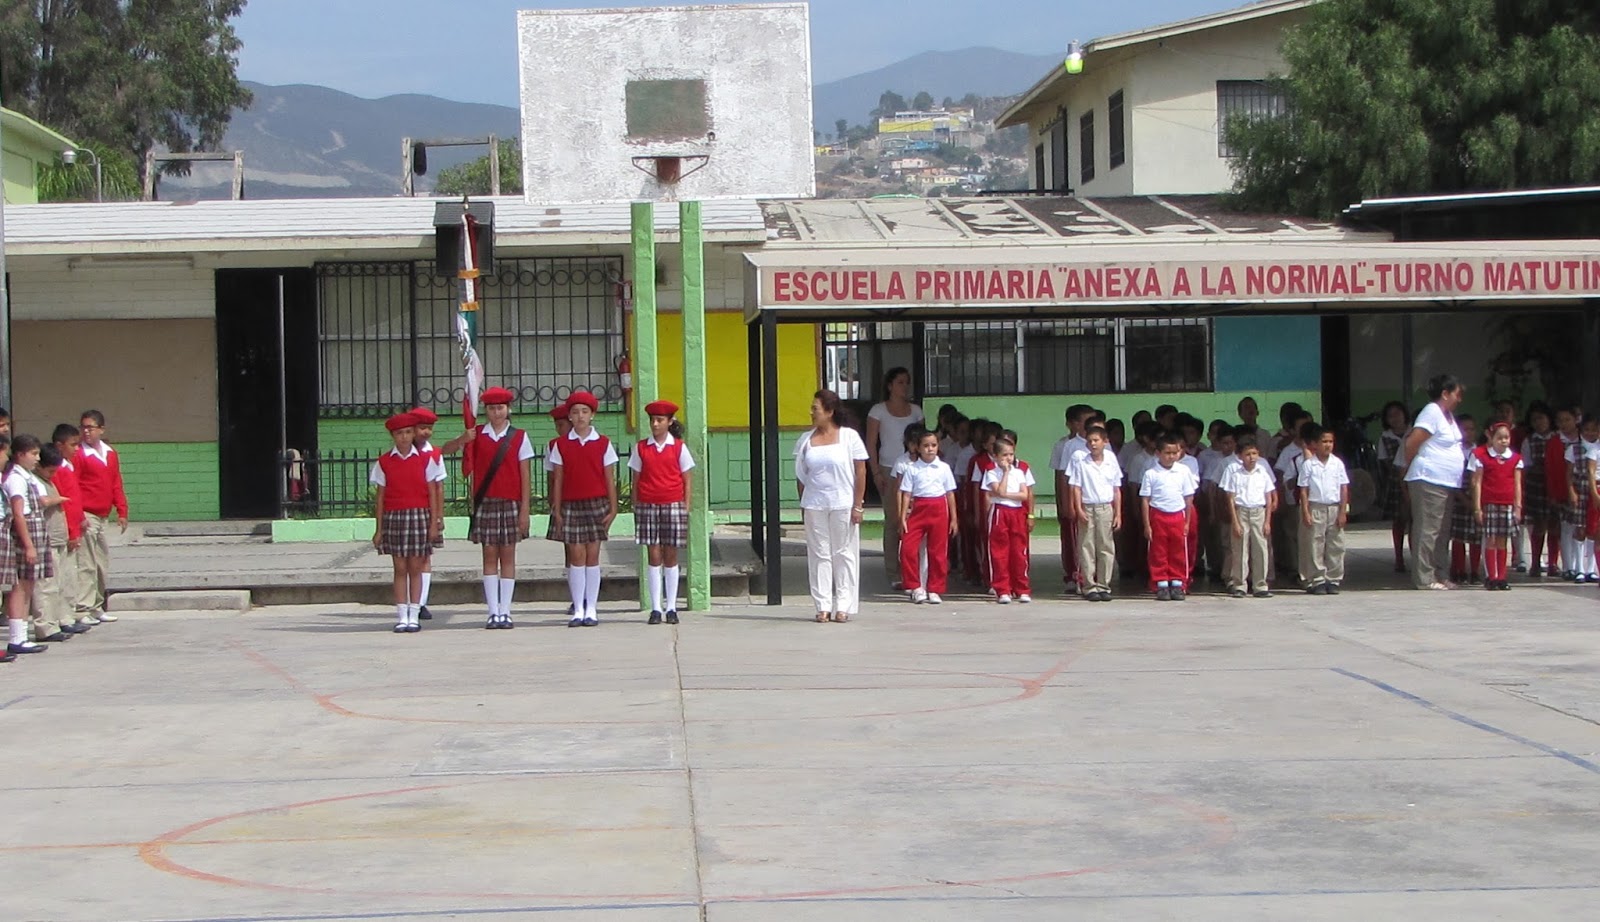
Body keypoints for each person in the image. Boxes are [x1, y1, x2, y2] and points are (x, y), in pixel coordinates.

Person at [445, 386, 534, 628]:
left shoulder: (519, 436)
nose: (496, 413)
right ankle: (492, 611)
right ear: (486, 411)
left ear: (508, 409)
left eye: (500, 408)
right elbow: (444, 450)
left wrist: (525, 510)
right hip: (486, 502)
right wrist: (463, 439)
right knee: (489, 555)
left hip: (511, 502)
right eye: (492, 408)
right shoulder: (476, 435)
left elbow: (525, 475)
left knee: (508, 556)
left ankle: (506, 611)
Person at [794, 389, 868, 623]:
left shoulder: (849, 437)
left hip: (843, 504)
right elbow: (801, 476)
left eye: (815, 408)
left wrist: (858, 505)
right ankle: (823, 605)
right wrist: (803, 504)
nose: (812, 412)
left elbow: (860, 471)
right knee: (819, 554)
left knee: (843, 554)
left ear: (830, 411)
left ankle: (843, 605)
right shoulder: (805, 440)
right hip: (815, 504)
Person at [370, 412, 445, 633]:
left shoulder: (425, 459)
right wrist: (379, 529)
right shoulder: (385, 462)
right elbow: (380, 497)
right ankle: (402, 615)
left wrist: (434, 522)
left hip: (419, 516)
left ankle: (415, 614)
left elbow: (433, 492)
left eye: (408, 432)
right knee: (399, 567)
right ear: (393, 436)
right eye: (399, 433)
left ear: (413, 434)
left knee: (416, 567)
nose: (404, 437)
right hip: (395, 517)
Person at [550, 390, 619, 627]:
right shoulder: (561, 445)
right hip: (571, 504)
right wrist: (557, 508)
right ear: (569, 416)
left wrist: (613, 508)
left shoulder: (603, 443)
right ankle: (578, 608)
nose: (580, 416)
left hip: (596, 503)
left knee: (592, 556)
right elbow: (558, 479)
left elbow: (609, 477)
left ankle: (592, 608)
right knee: (576, 556)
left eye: (585, 412)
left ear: (592, 415)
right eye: (575, 412)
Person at [630, 400, 695, 625]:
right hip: (648, 505)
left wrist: (686, 505)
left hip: (673, 503)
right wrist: (636, 504)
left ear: (669, 422)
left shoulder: (678, 447)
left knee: (671, 555)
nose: (655, 424)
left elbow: (687, 478)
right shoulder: (641, 448)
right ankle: (656, 607)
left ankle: (672, 607)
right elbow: (636, 478)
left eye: (660, 420)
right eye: (652, 420)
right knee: (654, 554)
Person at [1404, 374, 1467, 590]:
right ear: (1445, 394)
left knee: (1442, 531)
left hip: (1446, 482)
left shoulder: (1447, 416)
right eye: (1457, 394)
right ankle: (1425, 578)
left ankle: (1441, 574)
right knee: (1428, 530)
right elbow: (1412, 443)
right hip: (1429, 479)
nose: (1460, 399)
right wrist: (1416, 467)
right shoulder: (1431, 412)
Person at [864, 368, 924, 590]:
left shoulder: (916, 411)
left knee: (915, 519)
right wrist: (875, 472)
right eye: (900, 382)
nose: (904, 387)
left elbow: (922, 440)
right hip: (889, 468)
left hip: (914, 468)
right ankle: (893, 571)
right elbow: (871, 443)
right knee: (893, 520)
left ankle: (913, 569)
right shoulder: (878, 410)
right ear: (890, 385)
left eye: (906, 382)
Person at [74, 410, 127, 624]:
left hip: (103, 514)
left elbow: (115, 482)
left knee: (100, 563)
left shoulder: (109, 453)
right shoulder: (79, 454)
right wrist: (78, 515)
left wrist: (122, 510)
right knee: (86, 563)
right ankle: (82, 609)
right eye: (83, 427)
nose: (86, 431)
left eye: (91, 427)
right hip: (87, 513)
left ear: (101, 429)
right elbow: (74, 486)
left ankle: (97, 606)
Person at [30, 446, 85, 643]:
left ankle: (61, 619)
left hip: (59, 537)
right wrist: (55, 500)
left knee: (62, 583)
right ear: (39, 467)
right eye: (50, 470)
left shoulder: (48, 481)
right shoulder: (34, 481)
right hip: (47, 540)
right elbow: (39, 502)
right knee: (47, 586)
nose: (53, 474)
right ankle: (46, 626)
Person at [898, 429, 957, 605]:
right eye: (926, 446)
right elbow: (906, 494)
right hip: (919, 509)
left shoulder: (944, 468)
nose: (930, 449)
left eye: (933, 445)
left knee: (938, 552)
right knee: (908, 549)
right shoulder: (912, 469)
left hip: (939, 508)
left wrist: (954, 518)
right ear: (918, 448)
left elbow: (950, 493)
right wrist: (902, 517)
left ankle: (935, 588)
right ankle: (915, 586)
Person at [5, 435, 49, 655]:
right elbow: (19, 514)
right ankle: (17, 637)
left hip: (36, 531)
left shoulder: (28, 476)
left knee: (29, 585)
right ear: (20, 454)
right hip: (26, 533)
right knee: (21, 586)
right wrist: (29, 545)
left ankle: (22, 635)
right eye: (33, 454)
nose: (37, 458)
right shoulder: (16, 479)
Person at [1141, 433, 1198, 601]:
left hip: (1178, 515)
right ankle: (1161, 583)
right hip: (1158, 515)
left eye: (1175, 453)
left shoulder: (1183, 471)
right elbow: (1145, 500)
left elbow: (1188, 498)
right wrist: (1147, 525)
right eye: (1167, 453)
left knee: (1178, 551)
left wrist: (1187, 522)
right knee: (1158, 551)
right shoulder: (1151, 473)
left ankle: (1178, 583)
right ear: (1158, 453)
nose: (1171, 456)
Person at [1070, 424, 1122, 602]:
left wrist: (1118, 513)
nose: (1093, 444)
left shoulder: (1111, 459)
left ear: (1105, 442)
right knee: (1087, 547)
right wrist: (1078, 509)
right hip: (1087, 506)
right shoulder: (1081, 462)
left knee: (1106, 547)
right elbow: (1076, 488)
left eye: (1096, 440)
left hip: (1105, 507)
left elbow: (1116, 488)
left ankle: (1104, 585)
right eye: (1090, 441)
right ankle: (1089, 586)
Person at [1470, 421, 1523, 591]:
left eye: (1507, 437)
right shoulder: (1483, 457)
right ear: (1491, 438)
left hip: (1507, 505)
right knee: (1490, 540)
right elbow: (1477, 483)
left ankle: (1501, 577)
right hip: (1490, 504)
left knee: (1502, 541)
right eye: (1499, 438)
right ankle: (1491, 577)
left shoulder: (1515, 459)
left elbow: (1517, 484)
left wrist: (1518, 506)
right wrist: (1477, 508)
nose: (1504, 441)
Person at [1298, 425, 1350, 594]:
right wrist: (1305, 511)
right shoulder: (1309, 465)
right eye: (1324, 441)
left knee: (1336, 544)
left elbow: (1343, 488)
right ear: (1315, 444)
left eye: (1330, 442)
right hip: (1316, 507)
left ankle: (1333, 579)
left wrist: (1342, 511)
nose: (1328, 445)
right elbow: (1304, 490)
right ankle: (1317, 579)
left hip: (1334, 507)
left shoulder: (1337, 463)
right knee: (1315, 544)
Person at [1222, 434, 1276, 599]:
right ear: (1240, 456)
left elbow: (1268, 497)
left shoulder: (1262, 472)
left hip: (1259, 512)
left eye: (1254, 453)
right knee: (1240, 550)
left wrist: (1267, 521)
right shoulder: (1235, 473)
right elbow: (1230, 499)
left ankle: (1260, 584)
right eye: (1247, 454)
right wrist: (1235, 522)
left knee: (1261, 549)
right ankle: (1240, 584)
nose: (1252, 457)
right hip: (1242, 512)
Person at [983, 436, 1034, 604]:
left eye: (1011, 454)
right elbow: (997, 491)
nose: (1008, 458)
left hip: (1017, 512)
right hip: (1000, 511)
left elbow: (1024, 495)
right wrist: (1005, 473)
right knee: (1000, 552)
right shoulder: (992, 473)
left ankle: (1022, 588)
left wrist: (1005, 494)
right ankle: (1003, 589)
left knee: (1019, 551)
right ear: (996, 456)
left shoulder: (1019, 472)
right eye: (1004, 455)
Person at [49, 424, 90, 629]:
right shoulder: (58, 470)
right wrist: (72, 532)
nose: (77, 449)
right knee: (64, 577)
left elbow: (75, 499)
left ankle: (69, 614)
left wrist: (81, 518)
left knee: (71, 575)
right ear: (59, 445)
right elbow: (65, 504)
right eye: (73, 445)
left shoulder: (68, 466)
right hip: (66, 530)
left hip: (74, 525)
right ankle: (63, 618)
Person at [408, 407, 444, 620]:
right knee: (407, 558)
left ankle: (422, 602)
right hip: (407, 510)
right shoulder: (402, 452)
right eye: (422, 428)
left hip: (427, 512)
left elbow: (439, 487)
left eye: (429, 428)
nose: (426, 432)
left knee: (425, 556)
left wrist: (439, 516)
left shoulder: (435, 454)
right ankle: (410, 600)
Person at [1050, 404, 1091, 594]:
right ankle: (1072, 575)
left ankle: (1090, 576)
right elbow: (1061, 476)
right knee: (1072, 540)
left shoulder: (1098, 443)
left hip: (1092, 500)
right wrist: (1064, 504)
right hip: (1073, 500)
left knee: (1090, 541)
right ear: (1072, 424)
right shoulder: (1064, 445)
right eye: (1085, 421)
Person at [1520, 403, 1559, 577]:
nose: (1538, 422)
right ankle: (1535, 562)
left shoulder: (1557, 438)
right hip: (1537, 486)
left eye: (1541, 418)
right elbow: (1526, 465)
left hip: (1555, 485)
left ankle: (1553, 563)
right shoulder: (1529, 441)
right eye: (1534, 419)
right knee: (1539, 524)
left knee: (1554, 524)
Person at [1375, 401, 1412, 573]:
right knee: (1399, 521)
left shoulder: (1414, 433)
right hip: (1396, 482)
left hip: (1415, 480)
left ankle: (1415, 556)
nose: (1395, 418)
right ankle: (1399, 558)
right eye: (1391, 415)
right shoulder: (1385, 438)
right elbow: (1384, 462)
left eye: (1398, 413)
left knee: (1415, 522)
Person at [1448, 415, 1483, 585]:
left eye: (1472, 429)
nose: (1468, 433)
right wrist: (1462, 498)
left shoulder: (1480, 452)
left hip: (1477, 499)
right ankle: (1458, 570)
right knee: (1459, 537)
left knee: (1476, 537)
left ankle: (1475, 571)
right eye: (1464, 429)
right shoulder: (1454, 452)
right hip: (1458, 498)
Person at [1566, 413, 1600, 583]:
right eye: (1587, 429)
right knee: (1580, 529)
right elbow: (1568, 474)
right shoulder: (1574, 448)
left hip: (1597, 489)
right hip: (1581, 490)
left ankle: (1591, 569)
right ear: (1581, 431)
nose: (1590, 433)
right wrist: (1571, 492)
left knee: (1594, 530)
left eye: (1594, 430)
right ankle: (1579, 568)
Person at [1550, 406, 1582, 579]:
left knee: (1581, 528)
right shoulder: (1554, 442)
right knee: (1566, 528)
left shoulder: (1583, 439)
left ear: (1576, 419)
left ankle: (1580, 567)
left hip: (1583, 489)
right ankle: (1568, 566)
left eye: (1567, 419)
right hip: (1563, 490)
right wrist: (1554, 493)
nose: (1564, 424)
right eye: (1560, 421)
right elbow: (1551, 469)